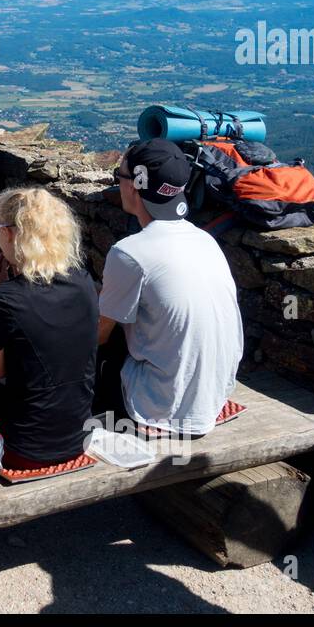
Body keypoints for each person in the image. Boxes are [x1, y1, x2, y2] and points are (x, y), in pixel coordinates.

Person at [96, 139, 244, 436]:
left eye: (119, 176)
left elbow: (97, 335)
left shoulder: (129, 253)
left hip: (157, 407)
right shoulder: (205, 240)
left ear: (134, 185)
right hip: (212, 397)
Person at [0, 187, 98, 467]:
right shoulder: (84, 283)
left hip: (22, 448)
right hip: (77, 438)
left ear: (10, 233)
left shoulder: (0, 299)